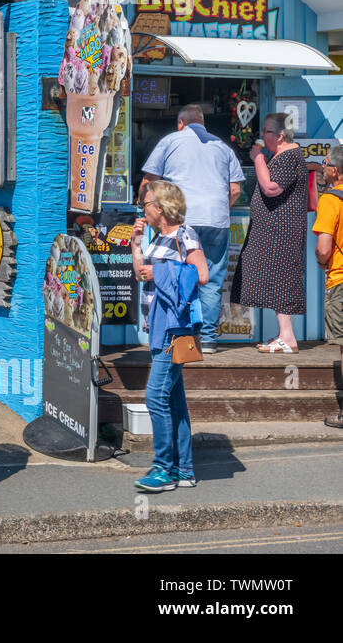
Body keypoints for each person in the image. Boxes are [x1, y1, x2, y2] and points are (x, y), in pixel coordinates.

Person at [139, 103, 244, 353]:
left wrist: (143, 204)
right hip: (216, 220)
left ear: (180, 123)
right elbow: (236, 189)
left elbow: (149, 181)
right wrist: (217, 207)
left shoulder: (171, 140)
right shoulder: (222, 146)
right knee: (211, 279)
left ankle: (176, 333)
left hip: (180, 219)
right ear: (203, 123)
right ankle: (207, 340)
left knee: (175, 275)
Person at [131, 179, 209, 492]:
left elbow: (201, 274)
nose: (143, 210)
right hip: (158, 327)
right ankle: (184, 470)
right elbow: (140, 274)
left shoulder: (184, 234)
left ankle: (163, 469)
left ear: (161, 207)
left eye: (146, 204)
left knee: (155, 397)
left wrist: (160, 271)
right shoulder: (157, 237)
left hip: (173, 329)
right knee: (174, 400)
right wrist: (137, 245)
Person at [233, 113, 308, 353]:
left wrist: (257, 159)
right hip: (274, 230)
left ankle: (288, 338)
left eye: (266, 131)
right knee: (275, 278)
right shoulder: (282, 155)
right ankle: (285, 335)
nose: (262, 135)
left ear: (280, 136)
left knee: (282, 278)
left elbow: (271, 188)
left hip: (282, 230)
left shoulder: (289, 156)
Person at [312, 146, 343, 428]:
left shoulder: (331, 200)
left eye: (324, 163)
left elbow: (323, 248)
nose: (322, 167)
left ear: (335, 170)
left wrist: (322, 262)